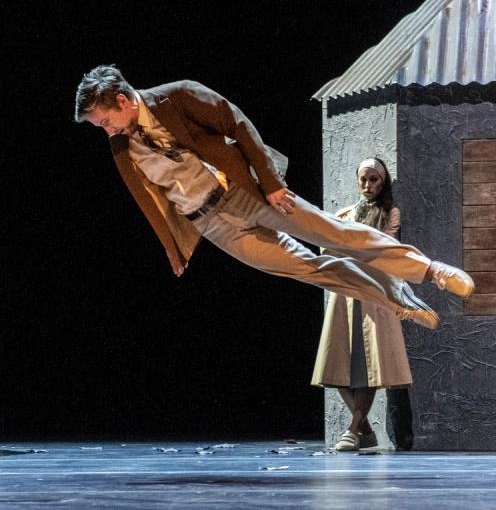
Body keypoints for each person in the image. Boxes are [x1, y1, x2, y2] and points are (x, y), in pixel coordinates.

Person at [73, 66, 475, 332]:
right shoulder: (121, 147)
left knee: (335, 233)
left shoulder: (176, 96)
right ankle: (397, 301)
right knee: (309, 268)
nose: (107, 130)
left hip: (246, 193)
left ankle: (430, 270)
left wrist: (269, 182)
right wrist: (171, 246)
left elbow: (238, 124)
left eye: (106, 121)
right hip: (212, 224)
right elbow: (149, 198)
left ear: (122, 101)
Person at [312, 158, 415, 451]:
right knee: (336, 367)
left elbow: (382, 250)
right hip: (345, 294)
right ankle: (365, 430)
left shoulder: (389, 214)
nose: (368, 185)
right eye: (364, 179)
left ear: (383, 183)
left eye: (374, 180)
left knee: (372, 365)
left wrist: (349, 248)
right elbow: (326, 249)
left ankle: (353, 429)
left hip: (374, 294)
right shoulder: (343, 214)